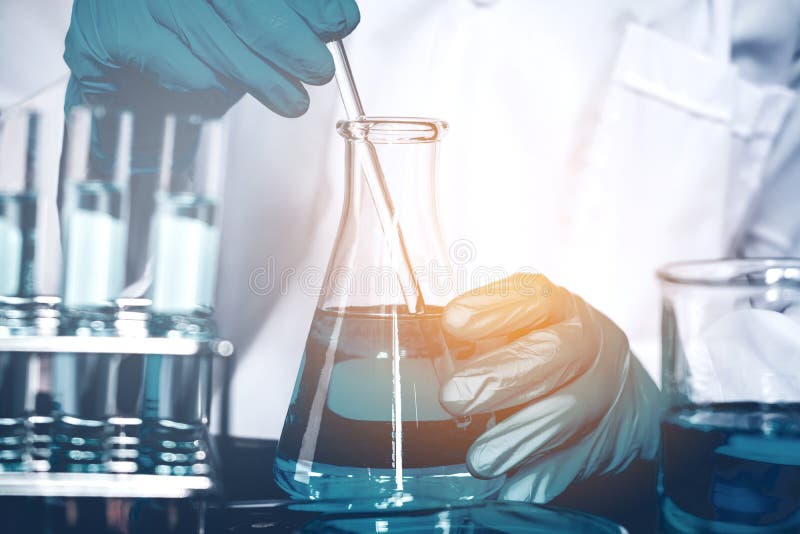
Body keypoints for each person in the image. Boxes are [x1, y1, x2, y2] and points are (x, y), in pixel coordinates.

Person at [2, 0, 800, 506]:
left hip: (581, 500)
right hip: (252, 500)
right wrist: (109, 146)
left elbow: (776, 312)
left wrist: (668, 405)